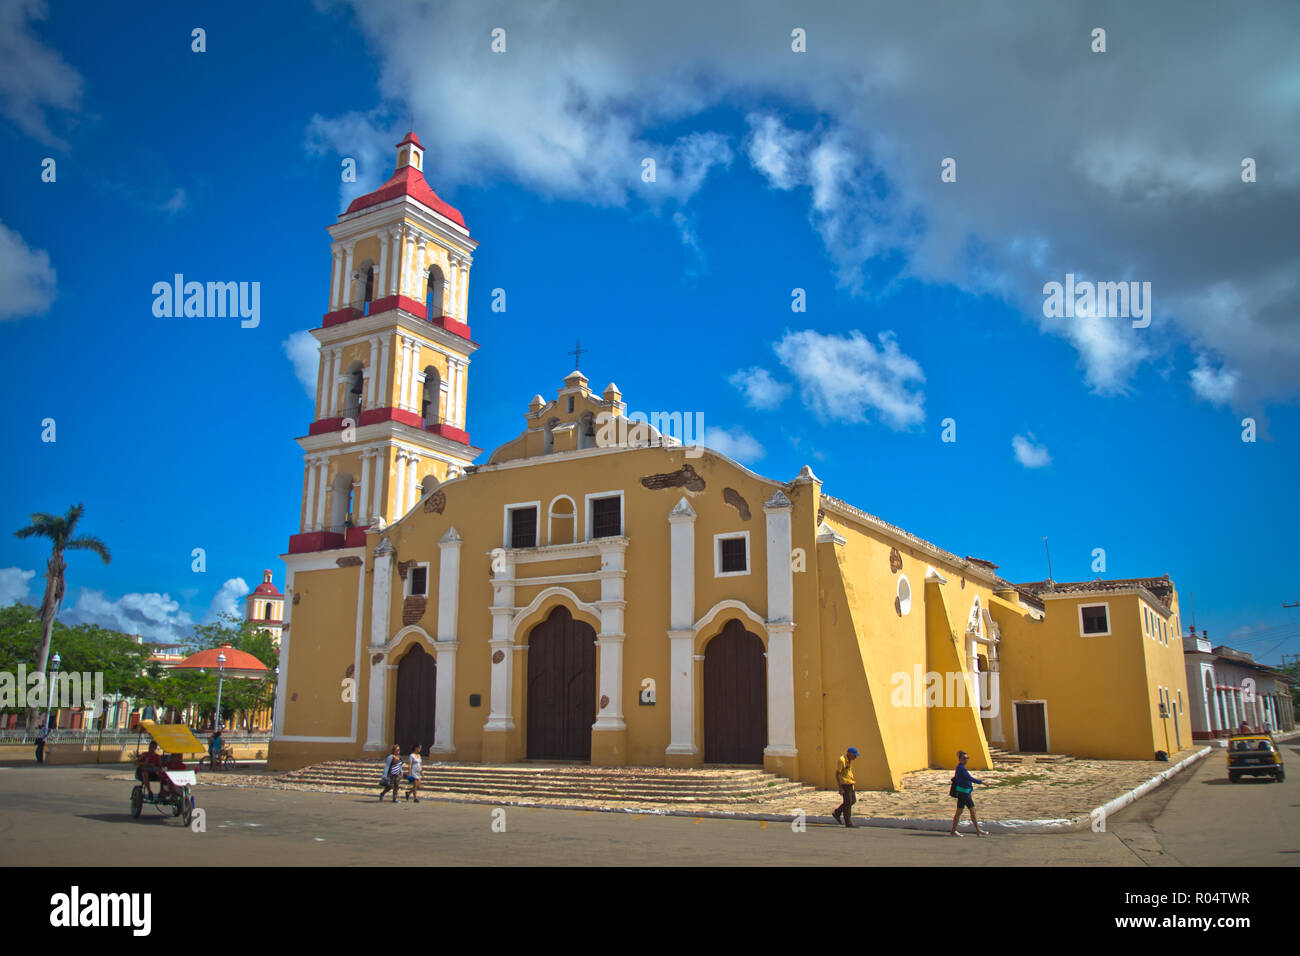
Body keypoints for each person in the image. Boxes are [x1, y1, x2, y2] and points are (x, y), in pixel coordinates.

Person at [950, 749, 986, 837]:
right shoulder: (961, 768)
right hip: (963, 793)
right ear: (960, 759)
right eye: (964, 758)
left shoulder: (961, 767)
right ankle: (953, 831)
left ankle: (978, 830)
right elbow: (969, 778)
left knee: (972, 811)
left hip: (966, 793)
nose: (966, 760)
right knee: (959, 812)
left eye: (967, 758)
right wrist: (981, 782)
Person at [832, 746, 858, 828]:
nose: (856, 757)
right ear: (849, 753)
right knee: (848, 803)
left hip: (850, 783)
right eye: (854, 755)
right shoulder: (842, 760)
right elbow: (837, 774)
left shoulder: (849, 760)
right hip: (845, 785)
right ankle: (848, 822)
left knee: (852, 801)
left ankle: (837, 812)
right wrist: (840, 787)